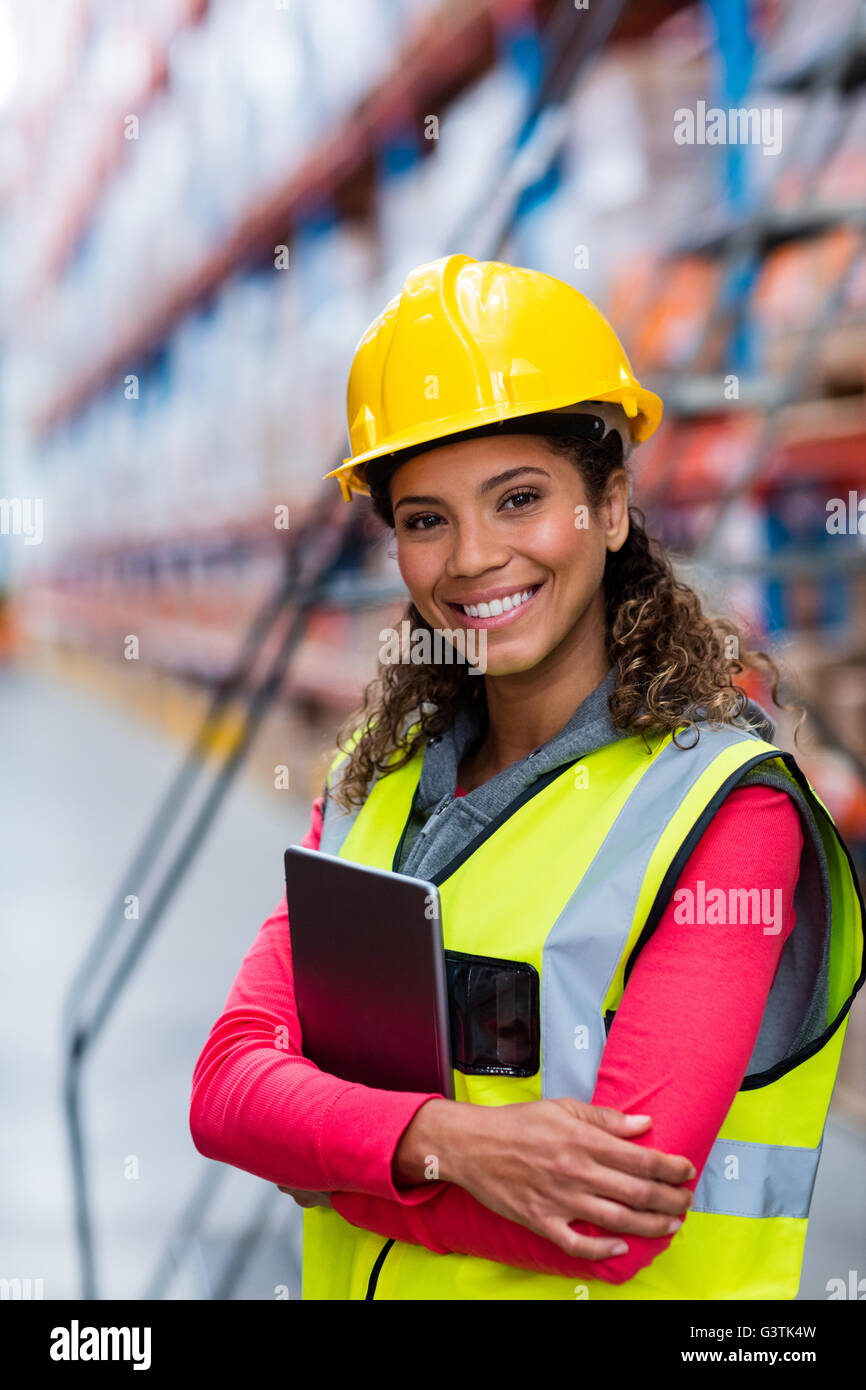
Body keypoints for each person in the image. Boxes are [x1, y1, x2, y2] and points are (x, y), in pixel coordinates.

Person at [190, 254, 863, 1300]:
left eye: (517, 498)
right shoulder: (374, 783)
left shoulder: (723, 814)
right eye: (424, 518)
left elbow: (607, 1218)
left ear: (608, 506)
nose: (470, 557)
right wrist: (449, 1141)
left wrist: (324, 1155)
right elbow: (228, 1087)